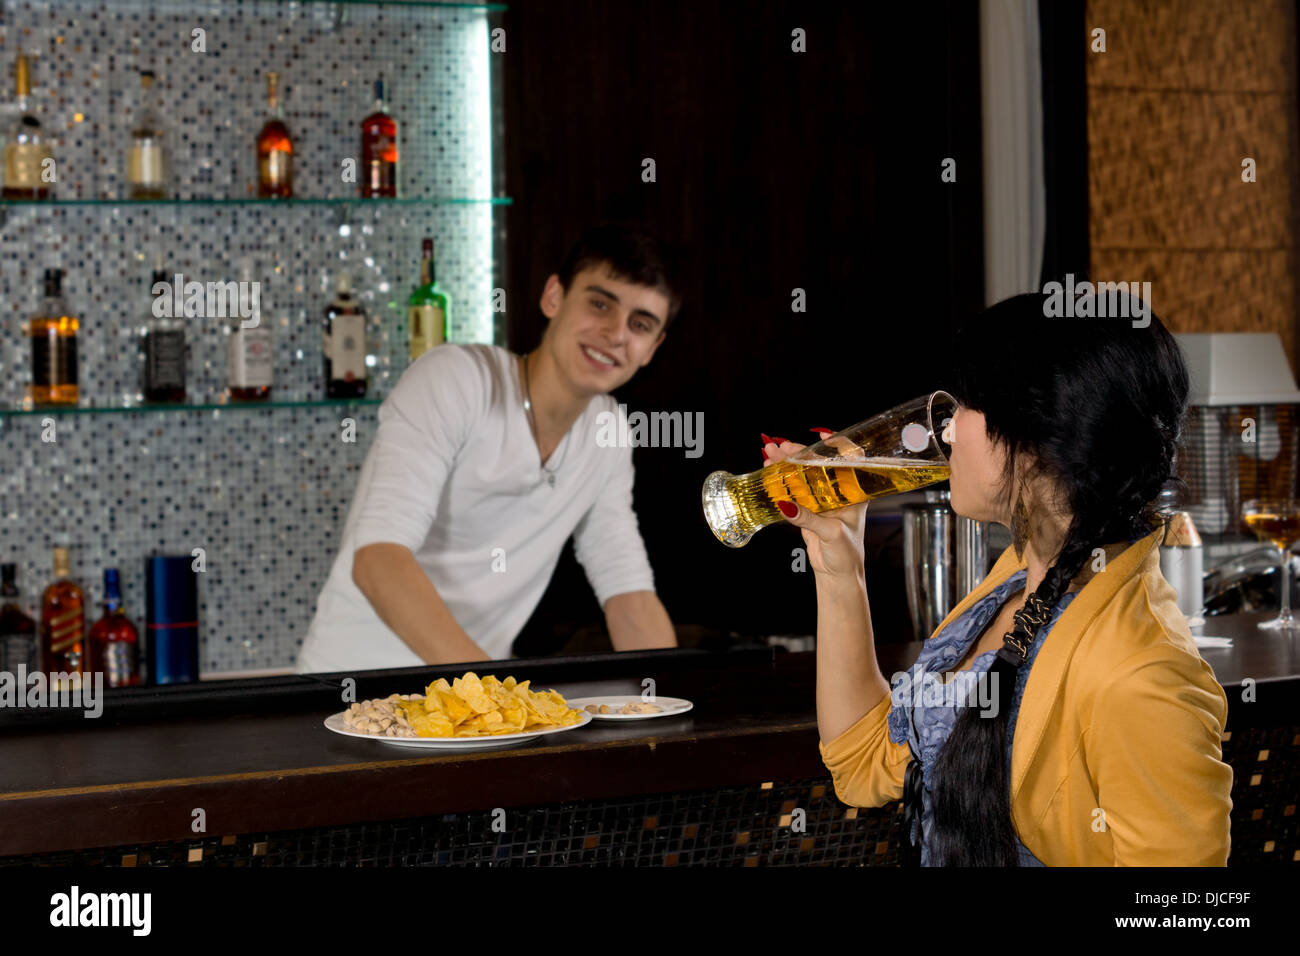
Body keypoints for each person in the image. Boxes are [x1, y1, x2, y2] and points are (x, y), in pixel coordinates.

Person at [766, 291, 1232, 865]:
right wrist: (839, 566)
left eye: (964, 405)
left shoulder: (1143, 675)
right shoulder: (1019, 579)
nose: (946, 430)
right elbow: (862, 765)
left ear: (1035, 442)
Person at [296, 224, 680, 673]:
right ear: (554, 297)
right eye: (600, 304)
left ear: (652, 348)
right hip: (353, 693)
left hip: (472, 708)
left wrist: (677, 707)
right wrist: (496, 696)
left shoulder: (608, 431)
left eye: (640, 324)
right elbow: (378, 559)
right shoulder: (455, 379)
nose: (615, 334)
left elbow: (627, 588)